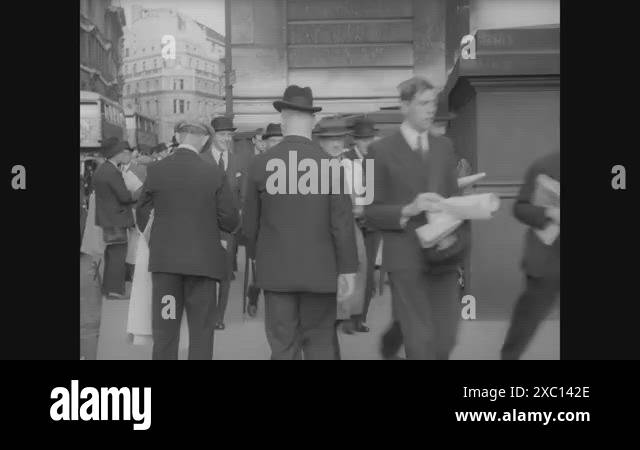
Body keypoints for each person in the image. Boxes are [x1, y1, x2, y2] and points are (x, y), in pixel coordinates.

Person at [243, 85, 359, 360]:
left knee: (283, 346)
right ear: (314, 122)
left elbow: (249, 225)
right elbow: (342, 224)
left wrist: (257, 259)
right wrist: (348, 270)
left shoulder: (262, 164)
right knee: (320, 344)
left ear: (283, 121)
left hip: (276, 274)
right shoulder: (330, 166)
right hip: (320, 273)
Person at [365, 76, 470, 360]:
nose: (430, 110)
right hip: (406, 259)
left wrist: (469, 208)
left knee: (445, 341)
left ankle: (391, 348)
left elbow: (452, 200)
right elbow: (370, 213)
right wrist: (407, 210)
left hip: (443, 256)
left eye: (433, 103)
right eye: (423, 103)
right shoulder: (379, 151)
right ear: (404, 106)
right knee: (420, 343)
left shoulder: (444, 147)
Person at [135, 120, 239, 360]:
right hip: (203, 267)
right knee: (201, 330)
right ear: (204, 140)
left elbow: (142, 213)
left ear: (178, 137)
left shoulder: (156, 170)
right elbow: (230, 219)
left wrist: (157, 241)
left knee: (166, 330)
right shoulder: (213, 172)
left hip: (167, 267)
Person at [501, 151, 560, 360]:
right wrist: (550, 213)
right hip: (548, 259)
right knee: (527, 318)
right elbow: (520, 208)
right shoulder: (545, 165)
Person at [313, 117, 368, 340]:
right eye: (330, 140)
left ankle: (346, 313)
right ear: (320, 142)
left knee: (358, 261)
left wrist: (360, 208)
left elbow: (367, 198)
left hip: (349, 224)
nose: (336, 144)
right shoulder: (311, 168)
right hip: (319, 225)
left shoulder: (354, 167)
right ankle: (328, 314)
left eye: (339, 139)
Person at [200, 116, 243, 331]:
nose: (226, 139)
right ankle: (205, 312)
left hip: (228, 228)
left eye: (229, 135)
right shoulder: (201, 160)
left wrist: (238, 223)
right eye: (222, 134)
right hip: (204, 227)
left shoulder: (236, 161)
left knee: (225, 274)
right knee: (207, 273)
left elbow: (242, 195)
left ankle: (219, 316)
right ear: (212, 136)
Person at [345, 117, 382, 332]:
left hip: (373, 221)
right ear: (356, 141)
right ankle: (348, 315)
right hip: (352, 221)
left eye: (371, 139)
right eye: (364, 140)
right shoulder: (346, 160)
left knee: (368, 272)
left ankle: (361, 317)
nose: (368, 143)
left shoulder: (377, 160)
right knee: (354, 269)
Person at [246, 122, 284, 317]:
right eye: (273, 140)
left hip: (283, 226)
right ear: (266, 143)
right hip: (263, 226)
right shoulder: (258, 163)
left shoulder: (290, 163)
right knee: (259, 269)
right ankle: (253, 298)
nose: (277, 144)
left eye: (280, 140)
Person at [93, 137, 136, 299]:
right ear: (116, 153)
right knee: (118, 255)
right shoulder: (112, 172)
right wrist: (137, 193)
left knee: (111, 254)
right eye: (124, 152)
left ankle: (108, 289)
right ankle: (115, 291)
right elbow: (124, 197)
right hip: (116, 219)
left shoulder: (102, 169)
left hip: (107, 219)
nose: (126, 155)